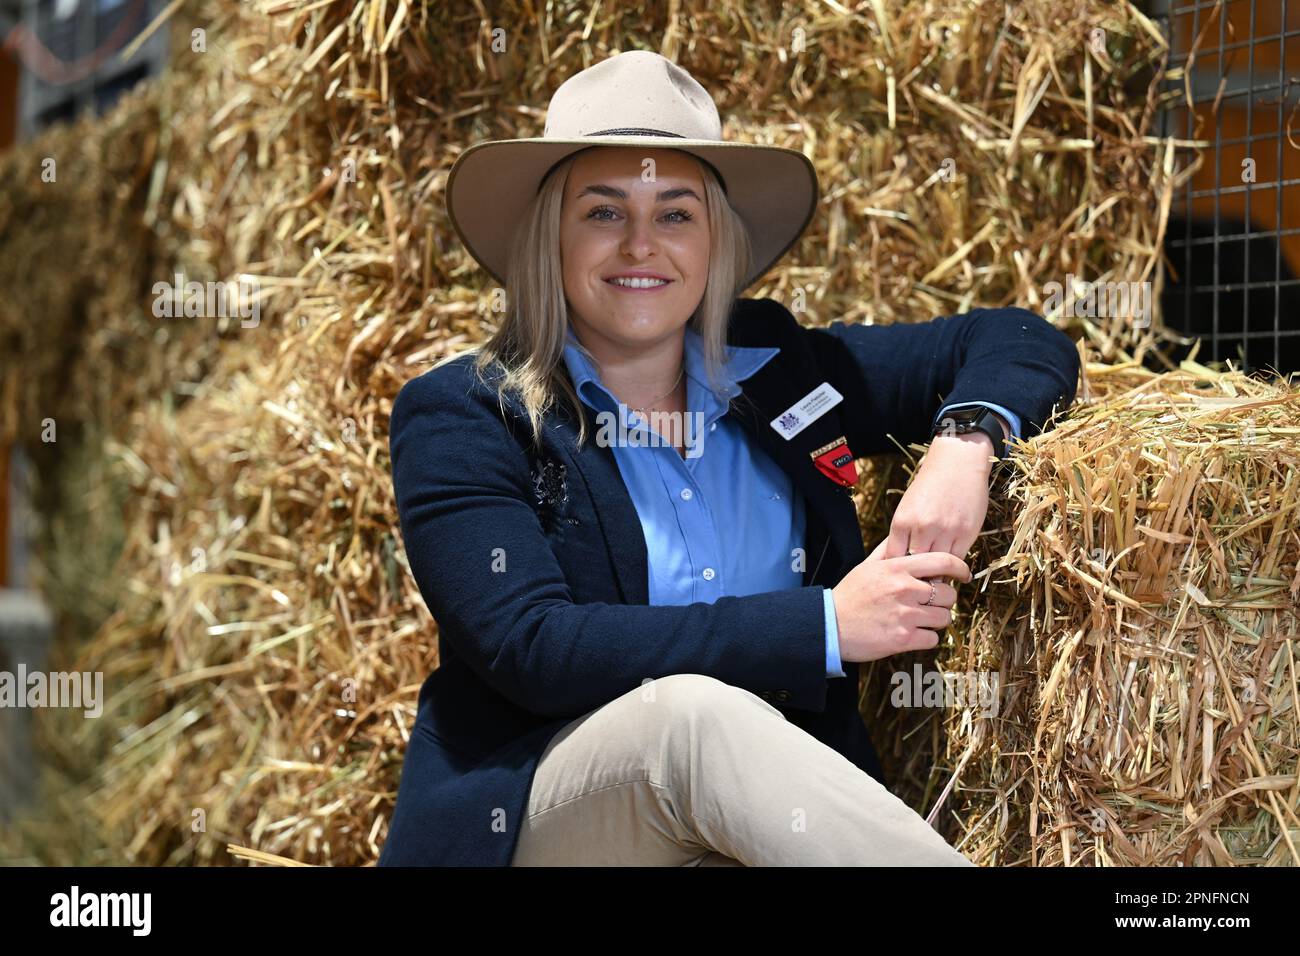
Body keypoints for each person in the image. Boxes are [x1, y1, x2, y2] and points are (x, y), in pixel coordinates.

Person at [377, 50, 1079, 867]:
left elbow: (1019, 339)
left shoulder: (778, 370)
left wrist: (964, 445)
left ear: (715, 241)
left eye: (676, 214)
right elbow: (534, 648)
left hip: (756, 830)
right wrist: (822, 624)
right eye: (604, 213)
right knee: (691, 720)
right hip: (550, 821)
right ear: (550, 239)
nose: (642, 245)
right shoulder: (466, 414)